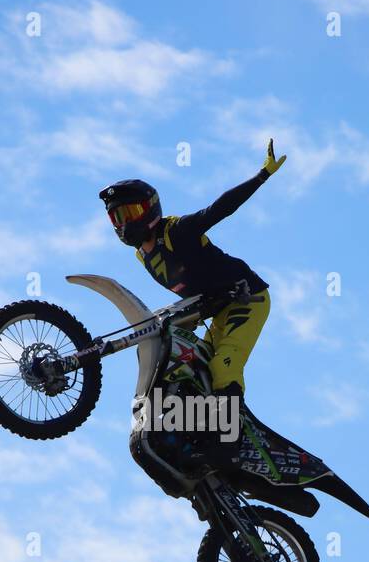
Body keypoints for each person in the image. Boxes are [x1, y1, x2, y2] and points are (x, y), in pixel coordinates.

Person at [98, 139, 287, 405]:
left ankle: (231, 434)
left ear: (150, 208)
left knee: (223, 366)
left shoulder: (176, 231)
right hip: (217, 307)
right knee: (192, 368)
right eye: (117, 217)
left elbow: (218, 210)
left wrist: (262, 175)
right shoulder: (142, 256)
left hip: (248, 297)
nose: (124, 223)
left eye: (130, 213)